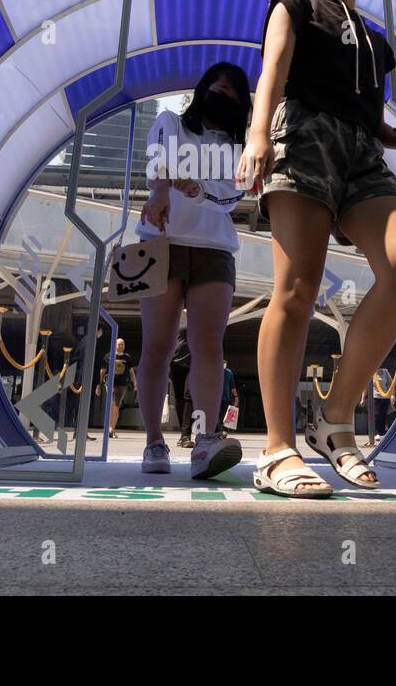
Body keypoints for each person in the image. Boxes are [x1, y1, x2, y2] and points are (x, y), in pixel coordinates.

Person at [238, 0, 396, 498]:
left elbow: (374, 123)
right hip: (302, 136)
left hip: (360, 153)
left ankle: (334, 419)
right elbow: (274, 73)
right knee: (298, 285)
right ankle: (277, 449)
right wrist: (257, 135)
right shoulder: (294, 5)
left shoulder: (377, 42)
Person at [135, 62, 250, 479]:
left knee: (208, 344)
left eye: (233, 91)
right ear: (201, 89)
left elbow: (232, 197)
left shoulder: (239, 145)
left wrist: (196, 188)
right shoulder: (169, 122)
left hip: (213, 248)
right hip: (160, 243)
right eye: (217, 86)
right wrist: (164, 187)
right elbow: (159, 160)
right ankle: (153, 442)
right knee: (157, 345)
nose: (223, 93)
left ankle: (205, 440)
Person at [96, 337, 137, 438]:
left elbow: (131, 371)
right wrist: (99, 384)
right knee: (112, 404)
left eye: (122, 344)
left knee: (116, 406)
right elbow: (102, 371)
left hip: (122, 384)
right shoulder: (108, 356)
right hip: (110, 383)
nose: (121, 346)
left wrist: (134, 383)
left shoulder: (127, 357)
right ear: (115, 345)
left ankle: (112, 429)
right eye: (119, 344)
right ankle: (110, 429)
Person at [219, 360, 238, 432]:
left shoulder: (229, 372)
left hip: (225, 398)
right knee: (219, 414)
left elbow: (232, 385)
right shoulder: (215, 371)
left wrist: (236, 396)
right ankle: (220, 430)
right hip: (217, 398)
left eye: (225, 364)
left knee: (224, 414)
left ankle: (223, 429)